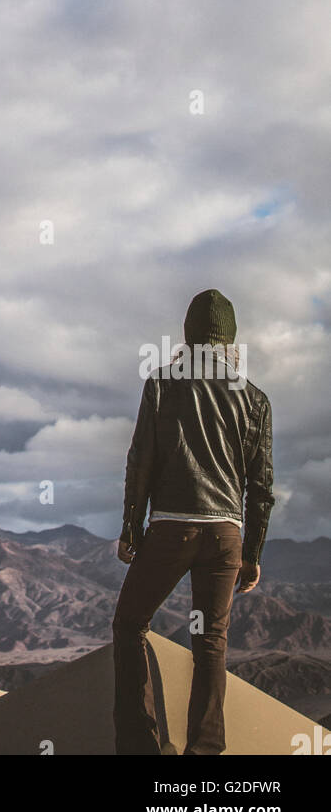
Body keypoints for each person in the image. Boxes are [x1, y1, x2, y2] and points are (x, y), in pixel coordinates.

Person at [112, 288, 274, 755]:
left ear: (186, 336)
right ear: (231, 341)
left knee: (129, 626)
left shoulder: (161, 384)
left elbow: (139, 462)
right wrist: (252, 553)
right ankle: (204, 752)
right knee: (210, 643)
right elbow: (262, 487)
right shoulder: (255, 399)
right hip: (225, 536)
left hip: (170, 530)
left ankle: (140, 747)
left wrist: (130, 529)